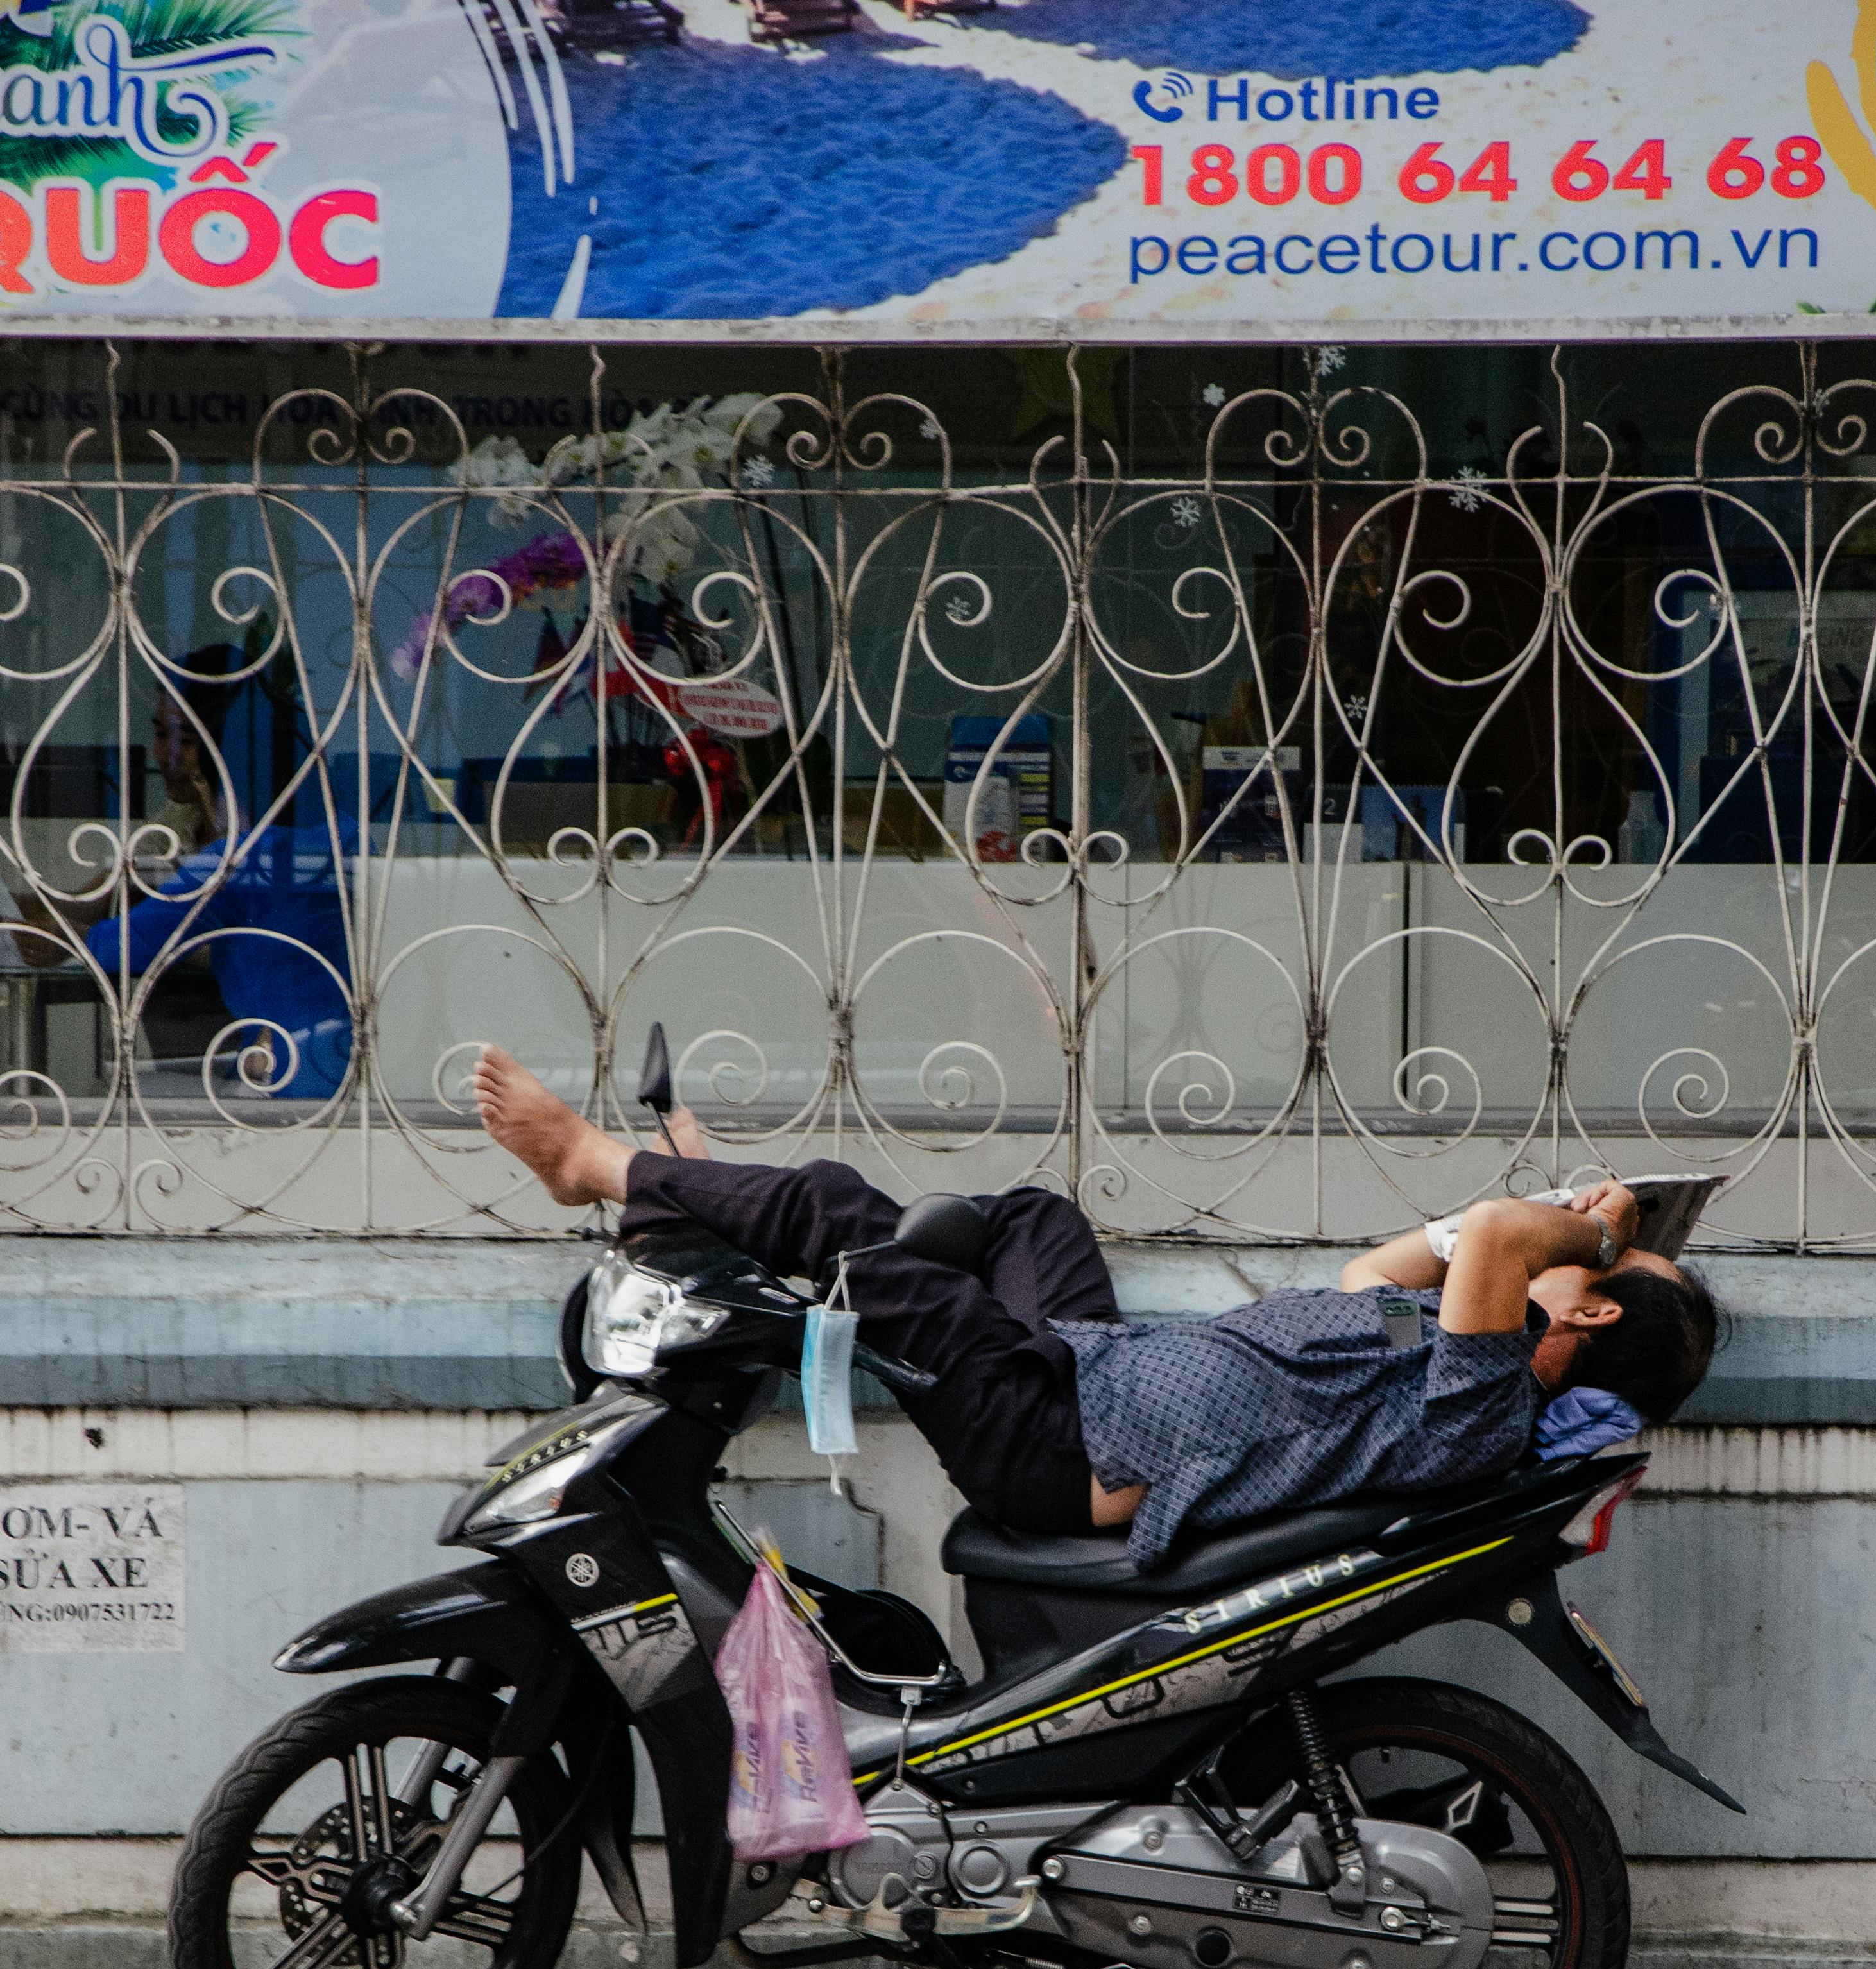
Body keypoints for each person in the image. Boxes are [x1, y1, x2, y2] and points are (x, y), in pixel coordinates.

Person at [473, 1045, 1718, 1568]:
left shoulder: (1487, 1403)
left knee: (846, 1211)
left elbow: (1505, 1235)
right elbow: (1382, 1273)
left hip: (1054, 1442)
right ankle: (719, 1204)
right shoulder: (1454, 1357)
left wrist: (1600, 1230)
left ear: (1594, 1314)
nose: (1571, 1250)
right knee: (1030, 1216)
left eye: (1596, 1273)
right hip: (1088, 1366)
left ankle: (602, 1166)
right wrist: (1564, 1239)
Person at [13, 648, 352, 1100]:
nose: (174, 758)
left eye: (190, 744)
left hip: (284, 1081)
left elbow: (117, 947)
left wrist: (74, 935)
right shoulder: (344, 840)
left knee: (109, 1101)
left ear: (214, 763)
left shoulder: (233, 862)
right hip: (357, 1068)